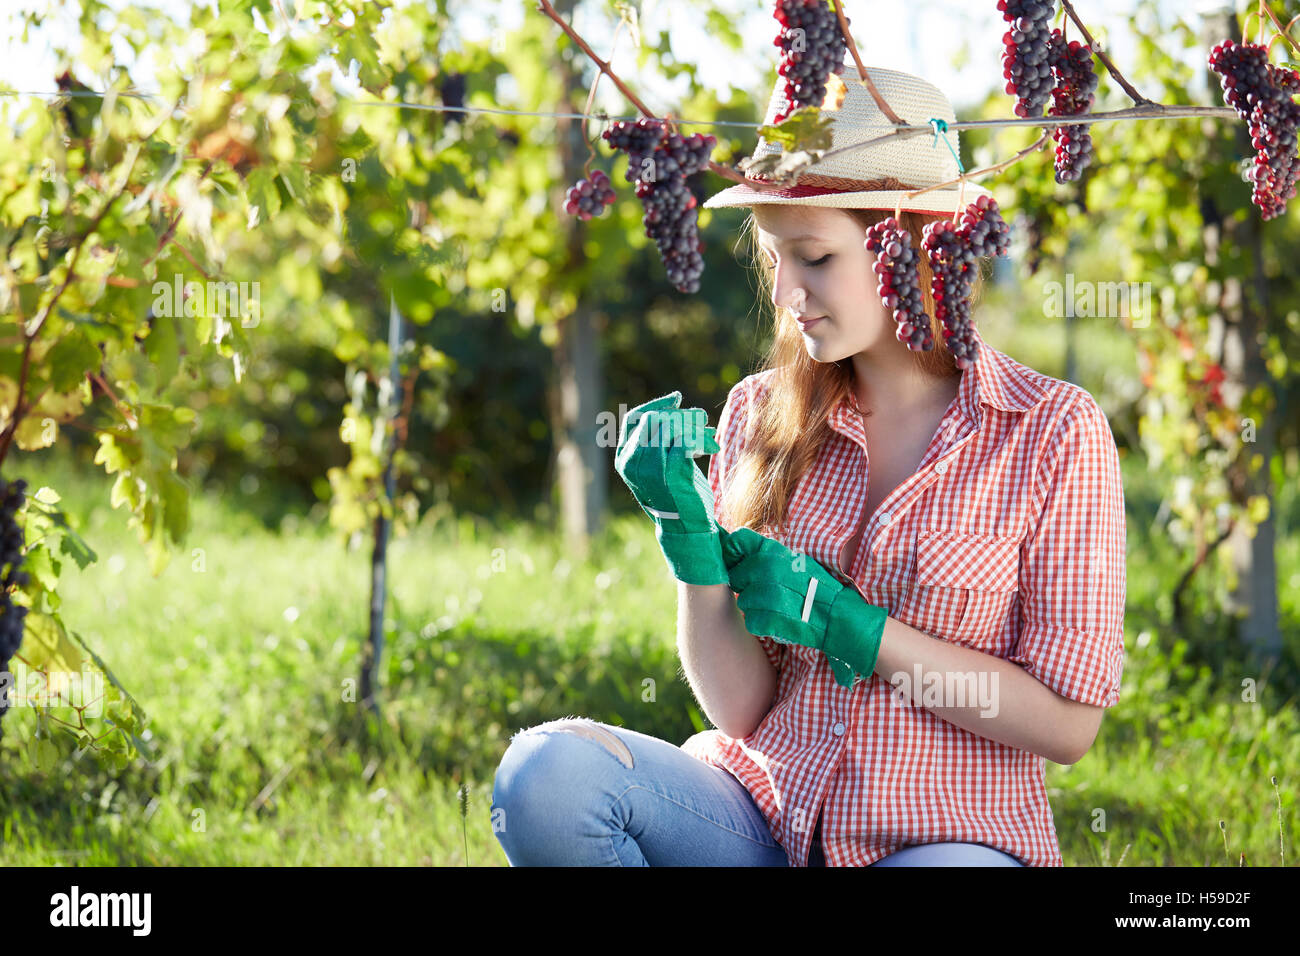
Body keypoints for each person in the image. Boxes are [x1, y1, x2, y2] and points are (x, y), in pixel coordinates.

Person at [490, 64, 1126, 867]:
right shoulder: (761, 411)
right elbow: (743, 707)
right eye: (775, 257)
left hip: (940, 838)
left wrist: (857, 630)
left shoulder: (1049, 432)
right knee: (547, 778)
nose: (787, 290)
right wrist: (690, 544)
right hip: (757, 815)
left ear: (912, 246)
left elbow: (1069, 727)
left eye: (816, 256)